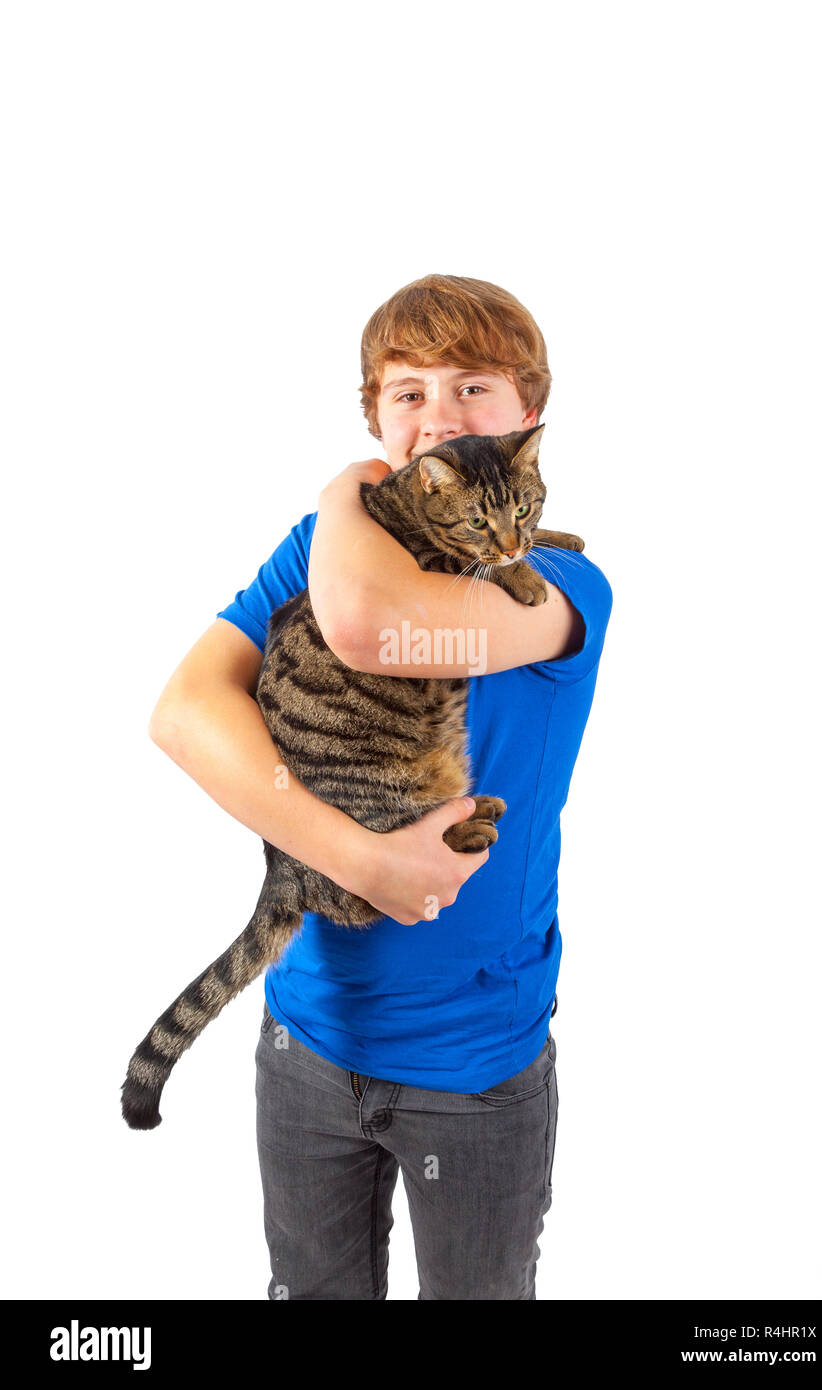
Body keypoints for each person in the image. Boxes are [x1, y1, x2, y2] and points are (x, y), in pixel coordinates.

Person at [148, 273, 613, 1300]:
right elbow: (183, 714)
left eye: (472, 388)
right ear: (374, 418)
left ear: (528, 413)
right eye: (407, 393)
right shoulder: (329, 549)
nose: (438, 418)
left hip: (473, 1063)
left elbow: (373, 626)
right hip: (306, 1028)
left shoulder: (566, 590)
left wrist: (335, 497)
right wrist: (358, 859)